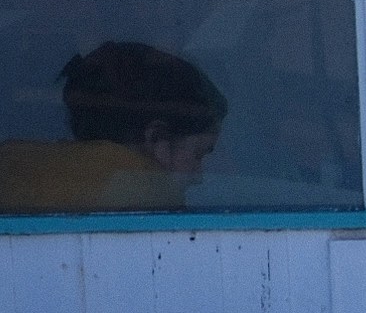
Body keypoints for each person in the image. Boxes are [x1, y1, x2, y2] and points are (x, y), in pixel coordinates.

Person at [0, 41, 229, 211]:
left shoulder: (11, 162)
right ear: (156, 138)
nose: (199, 176)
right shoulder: (149, 194)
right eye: (198, 153)